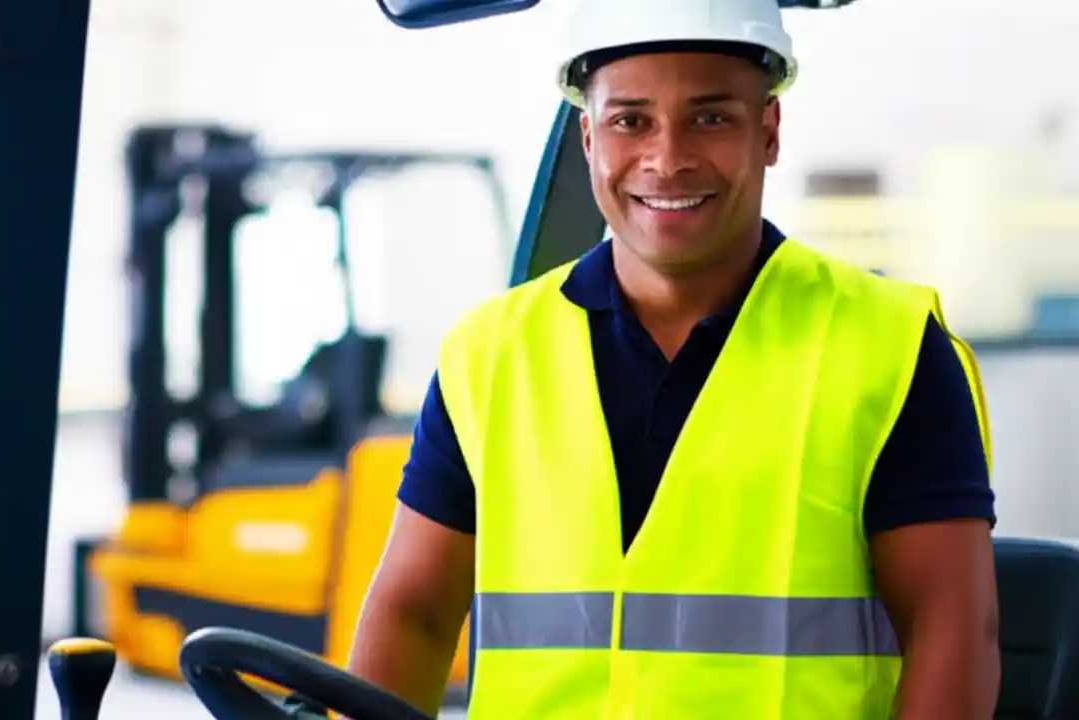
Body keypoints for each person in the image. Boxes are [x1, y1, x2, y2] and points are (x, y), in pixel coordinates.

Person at [345, 0, 1000, 717]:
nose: (668, 158)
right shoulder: (489, 355)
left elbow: (955, 631)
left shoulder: (890, 345)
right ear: (590, 137)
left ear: (769, 131)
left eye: (711, 118)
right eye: (631, 121)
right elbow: (415, 612)